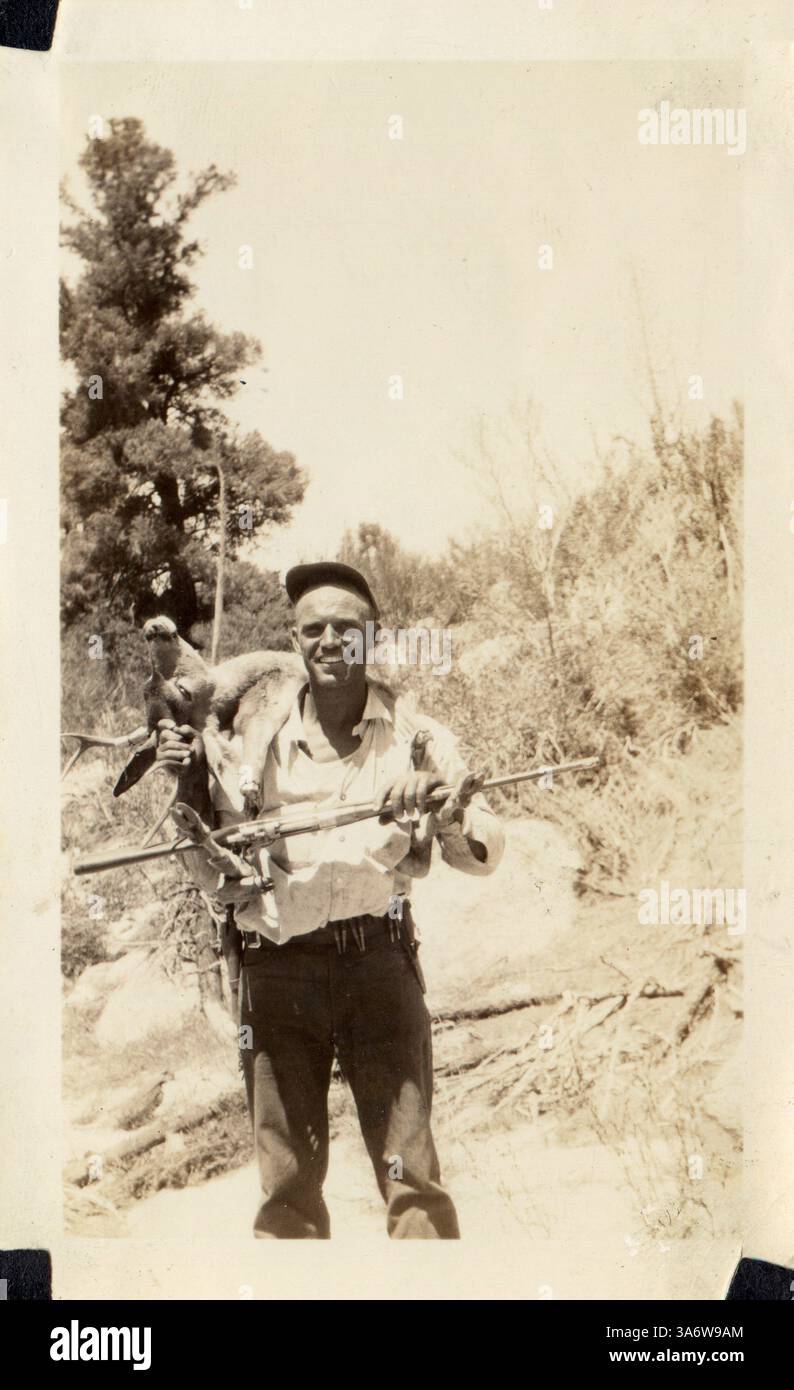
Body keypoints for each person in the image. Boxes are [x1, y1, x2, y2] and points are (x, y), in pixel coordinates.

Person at [156, 561, 504, 1239]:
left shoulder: (417, 736)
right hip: (278, 973)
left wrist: (442, 804)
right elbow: (211, 873)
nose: (331, 640)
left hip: (380, 966)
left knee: (414, 1185)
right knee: (285, 1195)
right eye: (314, 628)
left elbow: (486, 851)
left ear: (372, 638)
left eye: (348, 627)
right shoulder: (242, 743)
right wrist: (187, 783)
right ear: (294, 637)